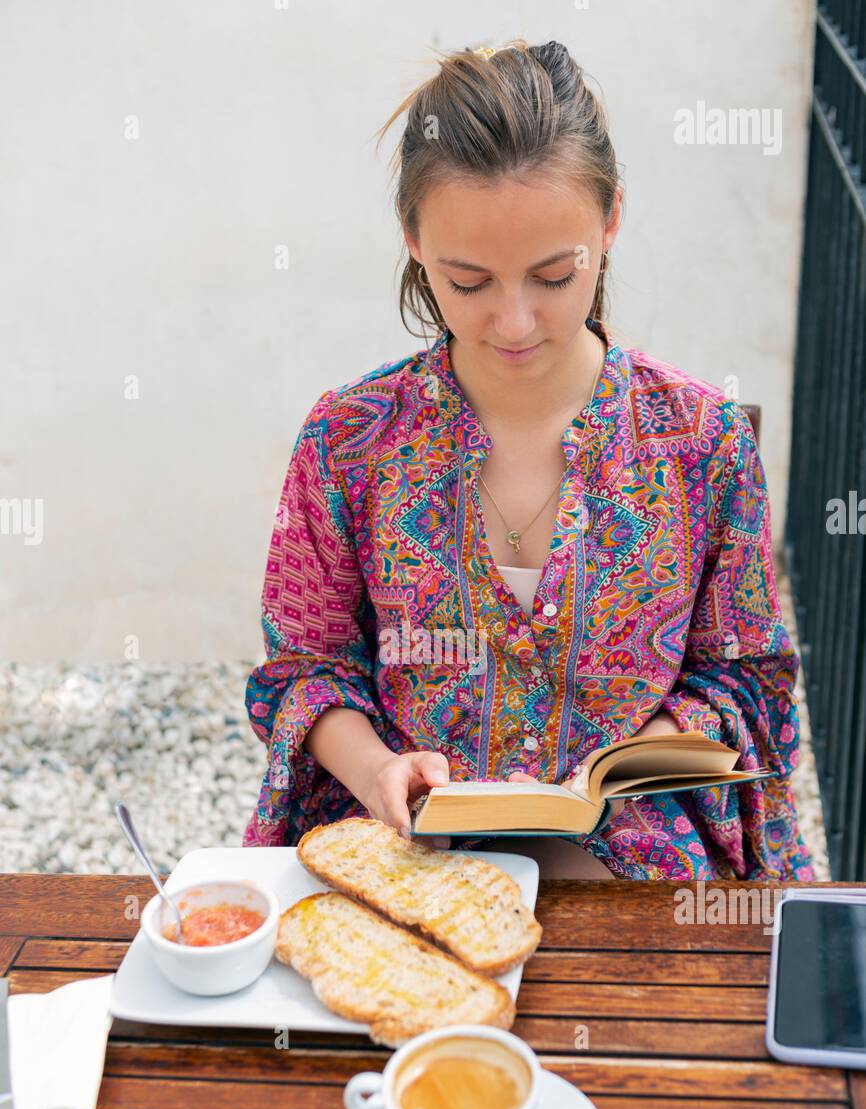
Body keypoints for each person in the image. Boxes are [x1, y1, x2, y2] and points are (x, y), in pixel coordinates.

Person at [243, 38, 815, 882]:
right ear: (412, 239)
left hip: (634, 859)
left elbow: (745, 681)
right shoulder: (347, 438)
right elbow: (306, 667)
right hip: (409, 850)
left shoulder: (703, 440)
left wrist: (630, 770)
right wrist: (376, 770)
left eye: (553, 275)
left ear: (611, 218)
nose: (513, 323)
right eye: (468, 282)